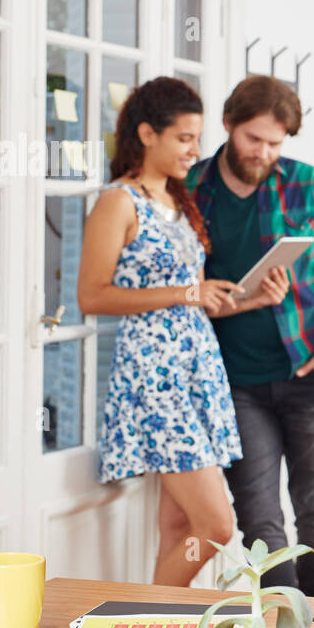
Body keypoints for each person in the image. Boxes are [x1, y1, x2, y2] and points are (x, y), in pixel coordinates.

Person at [185, 76, 314, 597]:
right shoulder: (192, 190)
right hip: (236, 385)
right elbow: (178, 295)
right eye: (253, 139)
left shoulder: (305, 182)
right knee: (260, 522)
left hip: (311, 373)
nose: (263, 153)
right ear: (228, 125)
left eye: (275, 143)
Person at [77, 76, 244, 587]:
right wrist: (186, 293)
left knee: (180, 525)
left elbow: (189, 299)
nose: (196, 151)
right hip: (155, 380)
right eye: (184, 138)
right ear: (148, 134)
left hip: (195, 371)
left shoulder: (175, 200)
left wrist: (248, 296)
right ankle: (136, 619)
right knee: (217, 525)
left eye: (197, 139)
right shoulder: (118, 202)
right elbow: (93, 295)